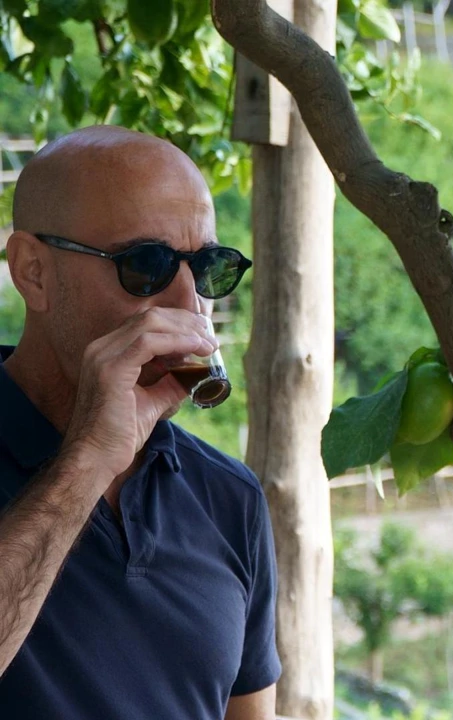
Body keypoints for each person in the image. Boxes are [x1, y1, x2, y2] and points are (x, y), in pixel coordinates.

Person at [0, 126, 277, 719]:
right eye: (145, 265)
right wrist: (89, 458)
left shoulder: (229, 497)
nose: (189, 305)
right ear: (33, 272)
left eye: (207, 267)